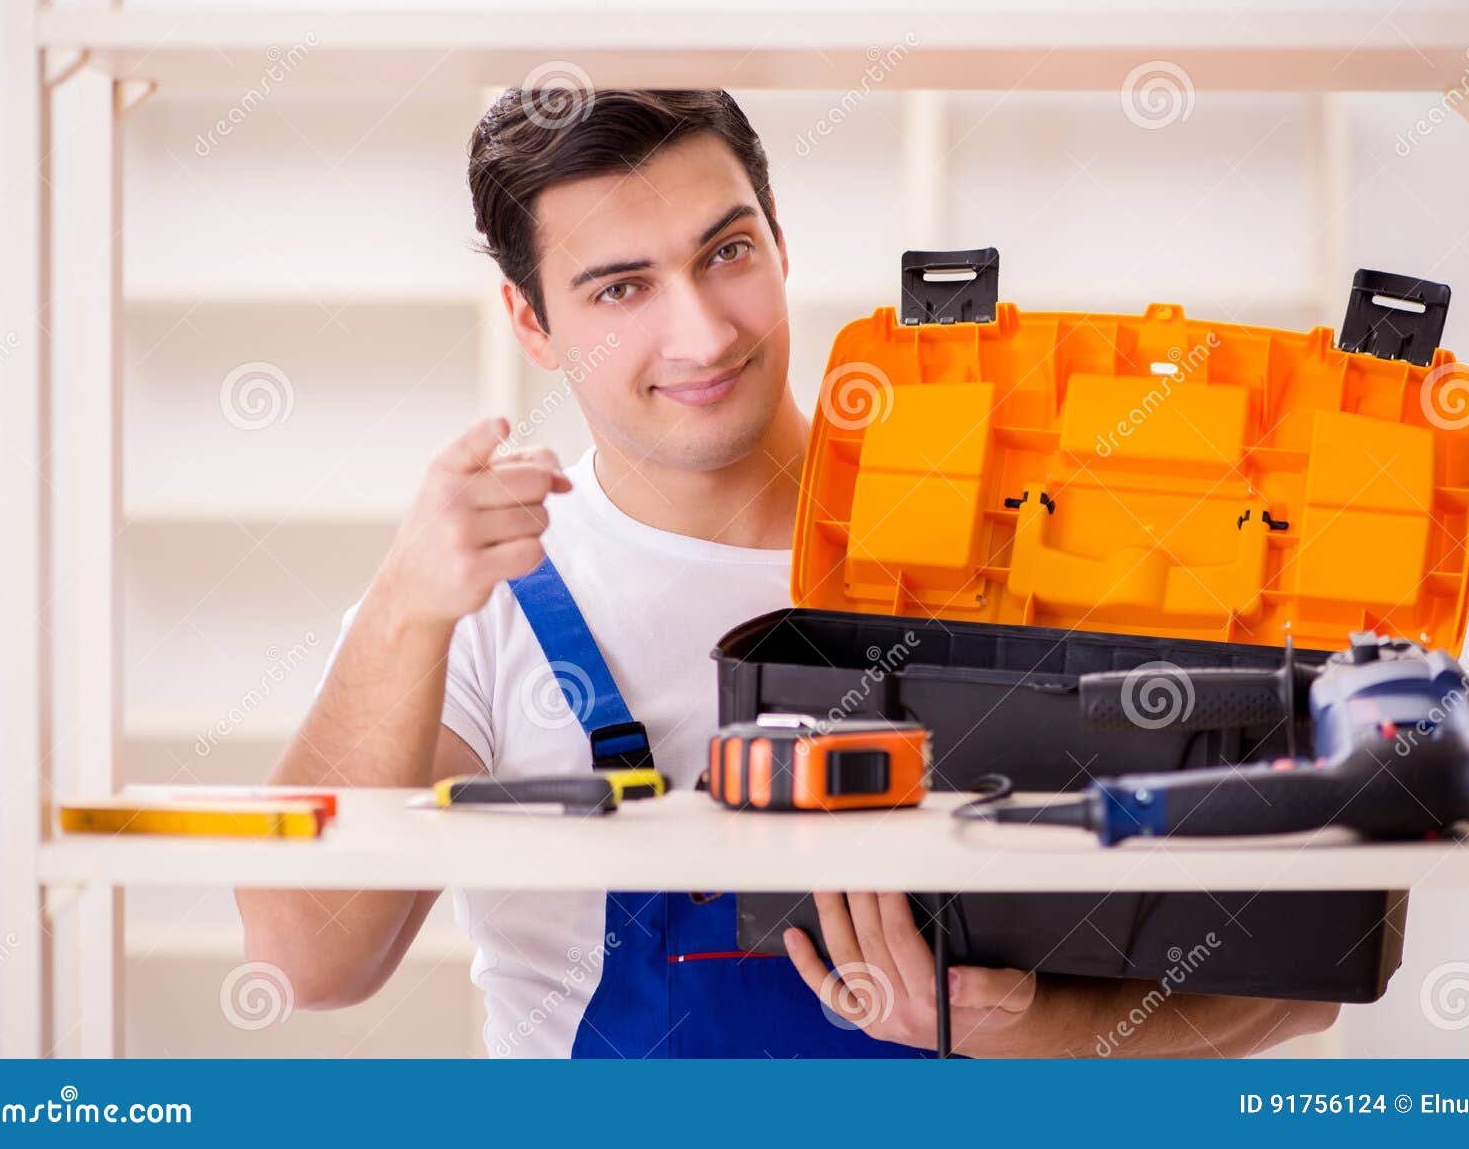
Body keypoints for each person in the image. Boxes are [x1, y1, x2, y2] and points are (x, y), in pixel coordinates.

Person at [236, 88, 1339, 1058]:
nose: (704, 333)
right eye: (621, 290)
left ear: (779, 241)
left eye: (726, 252)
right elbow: (306, 963)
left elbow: (1294, 984)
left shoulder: (1019, 543)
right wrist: (399, 610)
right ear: (533, 321)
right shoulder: (479, 609)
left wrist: (1046, 1035)